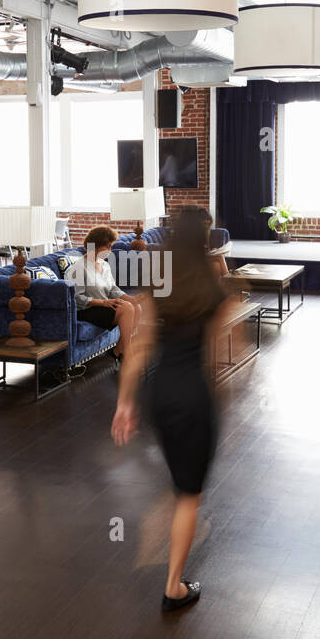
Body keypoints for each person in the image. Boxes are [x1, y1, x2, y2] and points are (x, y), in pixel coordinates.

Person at [111, 208, 230, 612]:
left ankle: (169, 516)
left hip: (159, 394)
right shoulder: (214, 286)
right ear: (205, 238)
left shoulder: (159, 284)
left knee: (180, 482)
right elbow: (224, 355)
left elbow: (138, 349)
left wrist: (125, 403)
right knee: (188, 495)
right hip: (194, 395)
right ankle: (174, 586)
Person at [64, 226, 144, 361]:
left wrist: (132, 298)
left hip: (104, 306)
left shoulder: (104, 265)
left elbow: (113, 288)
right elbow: (77, 298)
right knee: (127, 308)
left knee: (136, 306)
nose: (110, 250)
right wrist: (104, 302)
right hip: (86, 309)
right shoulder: (78, 267)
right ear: (96, 246)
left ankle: (118, 350)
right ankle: (128, 353)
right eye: (108, 247)